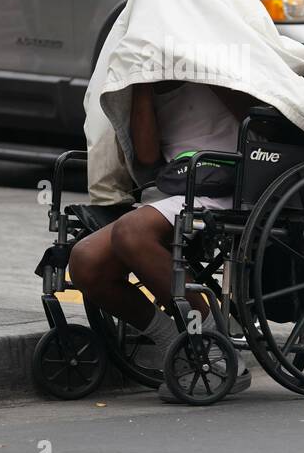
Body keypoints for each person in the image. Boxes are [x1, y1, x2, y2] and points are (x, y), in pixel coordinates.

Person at [68, 79, 254, 400]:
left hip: (232, 183)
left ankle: (216, 347)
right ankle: (173, 343)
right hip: (180, 185)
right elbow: (147, 154)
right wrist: (143, 83)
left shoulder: (219, 54)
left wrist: (207, 68)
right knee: (85, 260)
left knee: (132, 231)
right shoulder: (150, 75)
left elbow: (258, 117)